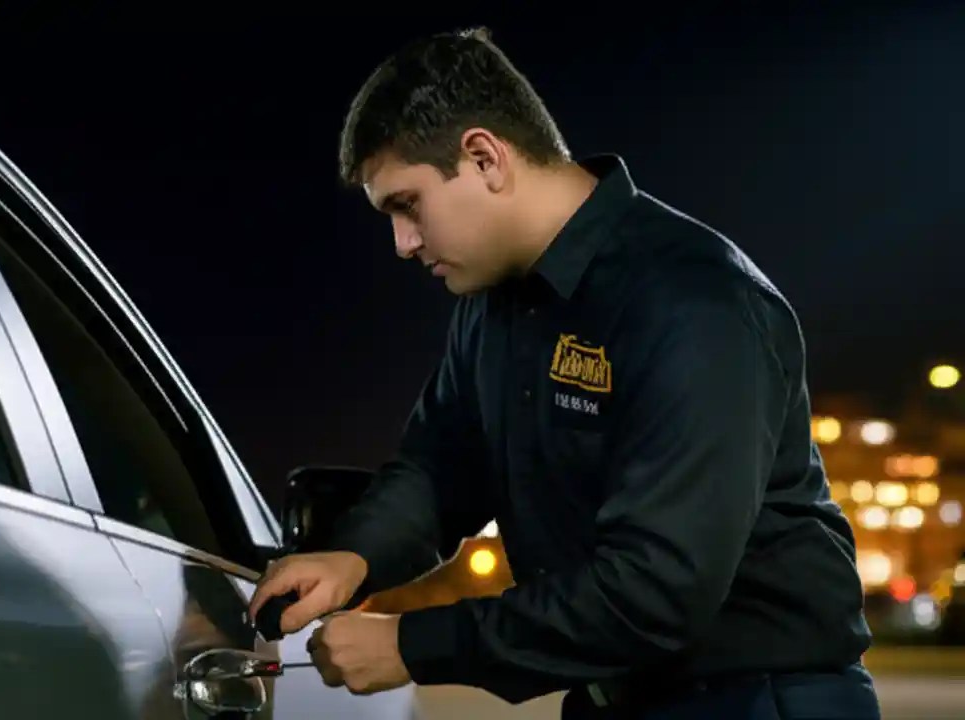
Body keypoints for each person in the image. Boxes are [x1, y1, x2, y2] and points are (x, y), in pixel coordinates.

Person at [248, 26, 882, 719]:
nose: (403, 243)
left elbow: (656, 590)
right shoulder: (491, 308)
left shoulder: (695, 302)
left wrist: (414, 645)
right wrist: (355, 557)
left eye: (407, 205)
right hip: (613, 694)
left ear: (485, 157)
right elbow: (442, 466)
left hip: (758, 699)